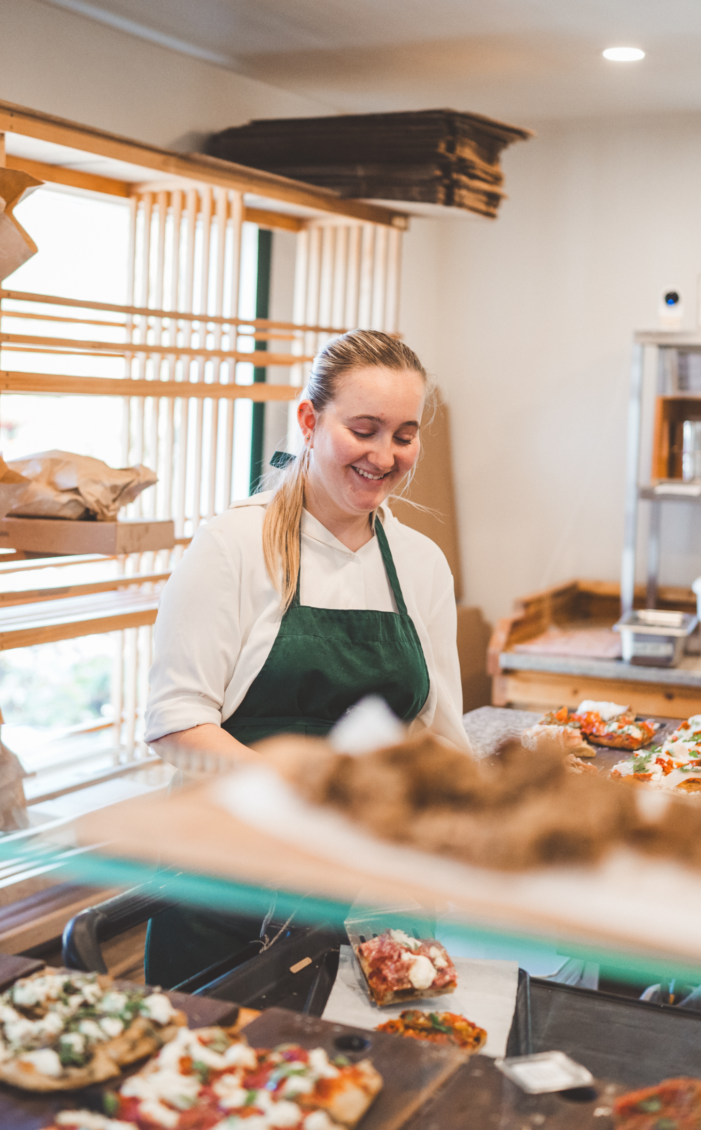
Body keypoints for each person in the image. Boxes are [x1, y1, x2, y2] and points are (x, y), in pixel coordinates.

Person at [142, 329, 470, 987]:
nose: (385, 455)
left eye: (404, 435)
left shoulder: (420, 564)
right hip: (228, 891)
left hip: (371, 898)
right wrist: (309, 796)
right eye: (365, 428)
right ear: (310, 422)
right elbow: (176, 723)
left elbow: (439, 736)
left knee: (376, 1076)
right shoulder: (234, 545)